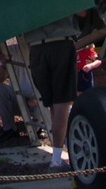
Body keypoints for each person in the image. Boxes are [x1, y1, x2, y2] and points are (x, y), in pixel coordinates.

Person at [25, 15, 80, 171]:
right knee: (62, 104)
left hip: (36, 49)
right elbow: (82, 12)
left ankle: (58, 153)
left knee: (54, 106)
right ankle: (56, 160)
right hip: (61, 44)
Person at [0, 41, 42, 142]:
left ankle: (40, 127)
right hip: (18, 97)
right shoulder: (11, 50)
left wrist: (38, 97)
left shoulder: (45, 49)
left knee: (46, 101)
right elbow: (0, 79)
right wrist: (4, 64)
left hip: (39, 99)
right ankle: (9, 129)